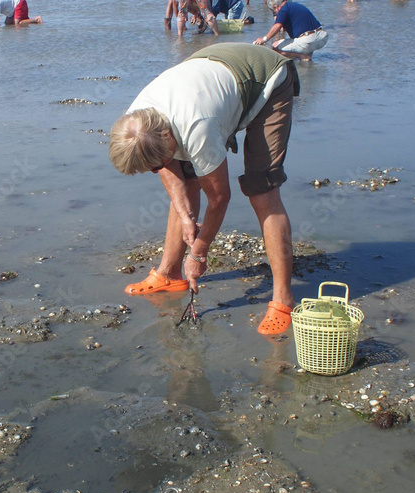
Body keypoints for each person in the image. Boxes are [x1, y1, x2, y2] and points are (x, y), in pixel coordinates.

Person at [108, 43, 300, 335]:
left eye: (155, 164)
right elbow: (166, 167)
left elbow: (219, 199)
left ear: (169, 137)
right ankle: (170, 273)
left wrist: (198, 252)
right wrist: (186, 215)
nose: (154, 171)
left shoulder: (197, 128)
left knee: (262, 190)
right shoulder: (136, 121)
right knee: (185, 180)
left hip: (266, 79)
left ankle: (283, 299)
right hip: (211, 77)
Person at [254, 0, 327, 62]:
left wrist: (264, 39)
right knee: (301, 44)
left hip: (308, 40)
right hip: (322, 37)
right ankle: (306, 58)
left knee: (274, 47)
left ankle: (301, 55)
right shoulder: (296, 5)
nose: (275, 14)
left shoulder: (283, 10)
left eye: (274, 12)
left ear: (276, 7)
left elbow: (277, 26)